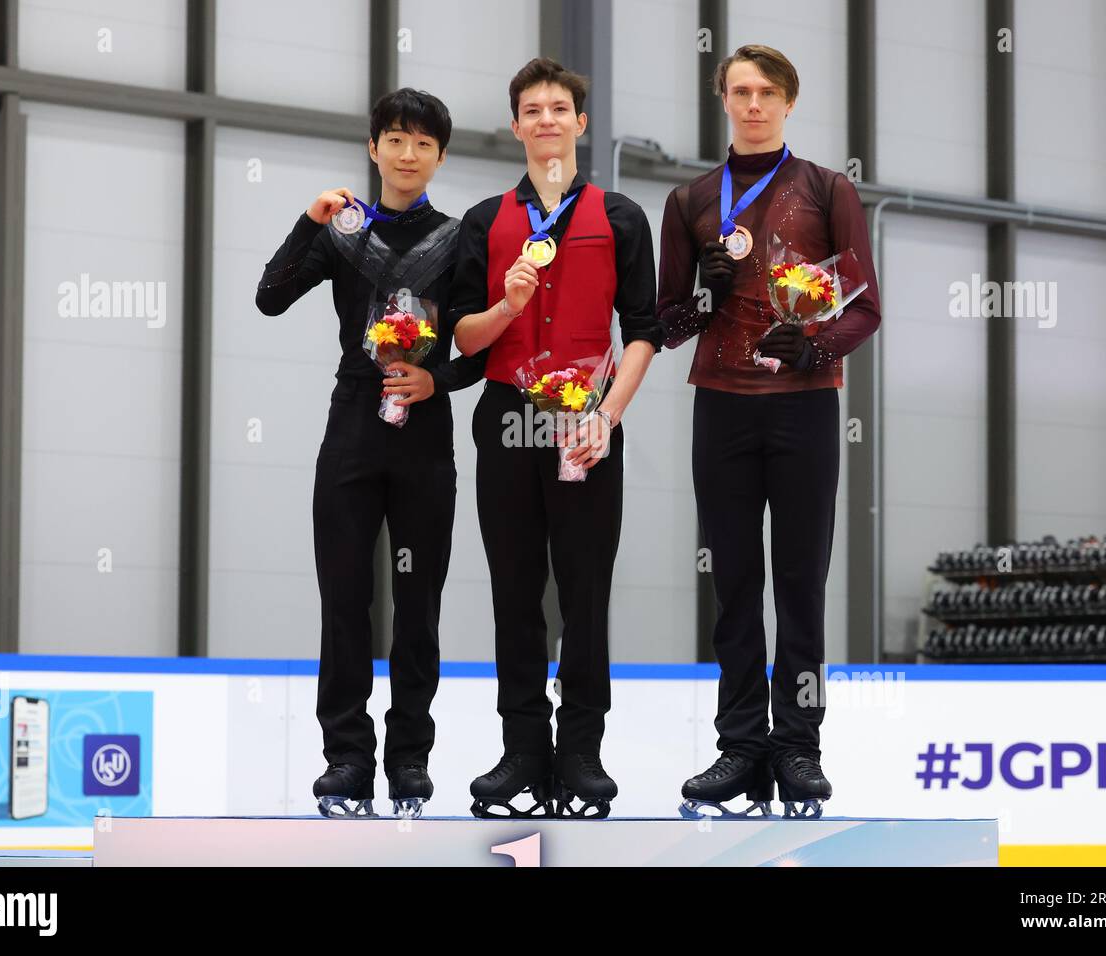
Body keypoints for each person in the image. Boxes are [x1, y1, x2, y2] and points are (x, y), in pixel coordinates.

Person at [657, 45, 881, 818]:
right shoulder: (688, 199)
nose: (753, 104)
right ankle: (741, 745)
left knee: (800, 583)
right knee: (733, 587)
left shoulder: (828, 188)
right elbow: (667, 323)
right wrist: (702, 298)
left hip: (805, 404)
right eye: (740, 91)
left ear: (789, 101)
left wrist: (815, 345)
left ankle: (798, 747)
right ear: (724, 99)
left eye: (767, 92)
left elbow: (866, 305)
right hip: (719, 402)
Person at [255, 88, 484, 819]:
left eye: (423, 143)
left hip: (425, 429)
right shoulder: (341, 230)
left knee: (418, 607)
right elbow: (269, 297)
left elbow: (482, 345)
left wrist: (436, 377)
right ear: (373, 148)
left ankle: (410, 759)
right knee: (344, 600)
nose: (408, 154)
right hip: (353, 421)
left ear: (440, 156)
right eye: (395, 139)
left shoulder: (460, 238)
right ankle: (347, 760)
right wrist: (307, 221)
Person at [449, 58, 661, 818]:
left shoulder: (623, 217)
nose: (545, 119)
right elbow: (464, 342)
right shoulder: (483, 222)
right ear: (515, 126)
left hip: (586, 427)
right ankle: (521, 752)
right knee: (514, 596)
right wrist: (505, 307)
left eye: (559, 107)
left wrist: (607, 415)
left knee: (585, 594)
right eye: (531, 109)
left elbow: (644, 331)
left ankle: (582, 753)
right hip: (507, 418)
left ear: (579, 123)